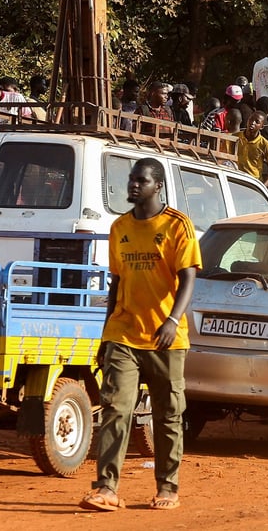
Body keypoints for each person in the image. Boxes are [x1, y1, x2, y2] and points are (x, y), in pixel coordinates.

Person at [80, 158, 199, 512]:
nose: (133, 186)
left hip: (166, 337)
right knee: (116, 408)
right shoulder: (119, 228)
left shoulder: (178, 225)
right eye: (131, 180)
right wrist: (105, 336)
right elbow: (116, 282)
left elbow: (189, 276)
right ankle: (106, 487)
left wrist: (173, 320)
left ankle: (167, 486)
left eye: (141, 180)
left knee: (168, 413)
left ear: (157, 185)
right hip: (124, 332)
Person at [234, 111, 268, 186]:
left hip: (252, 183)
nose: (252, 123)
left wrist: (263, 186)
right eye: (251, 119)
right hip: (235, 180)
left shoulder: (265, 144)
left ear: (262, 126)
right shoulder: (235, 137)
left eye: (257, 122)